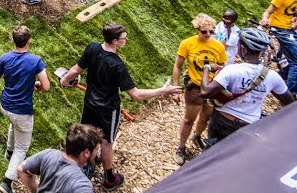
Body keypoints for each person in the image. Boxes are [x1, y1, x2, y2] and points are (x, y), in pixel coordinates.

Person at [60, 22, 183, 190]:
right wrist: (164, 90)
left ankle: (85, 166)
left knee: (86, 134)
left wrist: (65, 80)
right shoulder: (117, 65)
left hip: (90, 102)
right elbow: (136, 95)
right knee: (106, 141)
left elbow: (75, 70)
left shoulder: (92, 48)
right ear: (115, 41)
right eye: (124, 38)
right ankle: (109, 178)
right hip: (108, 109)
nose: (127, 40)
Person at [200, 28, 294, 146]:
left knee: (213, 154)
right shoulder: (272, 76)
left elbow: (205, 91)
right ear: (261, 52)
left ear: (242, 49)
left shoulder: (231, 70)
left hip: (223, 120)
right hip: (248, 125)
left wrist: (206, 69)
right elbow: (291, 102)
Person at [0, 25, 51, 193]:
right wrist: (37, 83)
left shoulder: (4, 58)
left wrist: (29, 83)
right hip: (22, 111)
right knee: (22, 148)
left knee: (13, 124)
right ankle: (7, 183)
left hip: (5, 106)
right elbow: (46, 86)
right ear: (29, 42)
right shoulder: (35, 61)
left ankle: (9, 152)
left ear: (13, 40)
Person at [172, 13, 228, 165]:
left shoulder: (218, 46)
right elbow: (177, 66)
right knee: (189, 119)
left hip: (212, 87)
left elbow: (223, 67)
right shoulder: (187, 43)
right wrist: (175, 88)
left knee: (206, 116)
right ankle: (181, 147)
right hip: (195, 88)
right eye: (204, 31)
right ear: (197, 29)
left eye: (211, 31)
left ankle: (197, 136)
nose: (208, 34)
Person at [17, 124, 102, 193]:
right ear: (86, 152)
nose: (97, 153)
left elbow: (21, 169)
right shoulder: (82, 185)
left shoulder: (48, 154)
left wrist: (35, 190)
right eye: (96, 150)